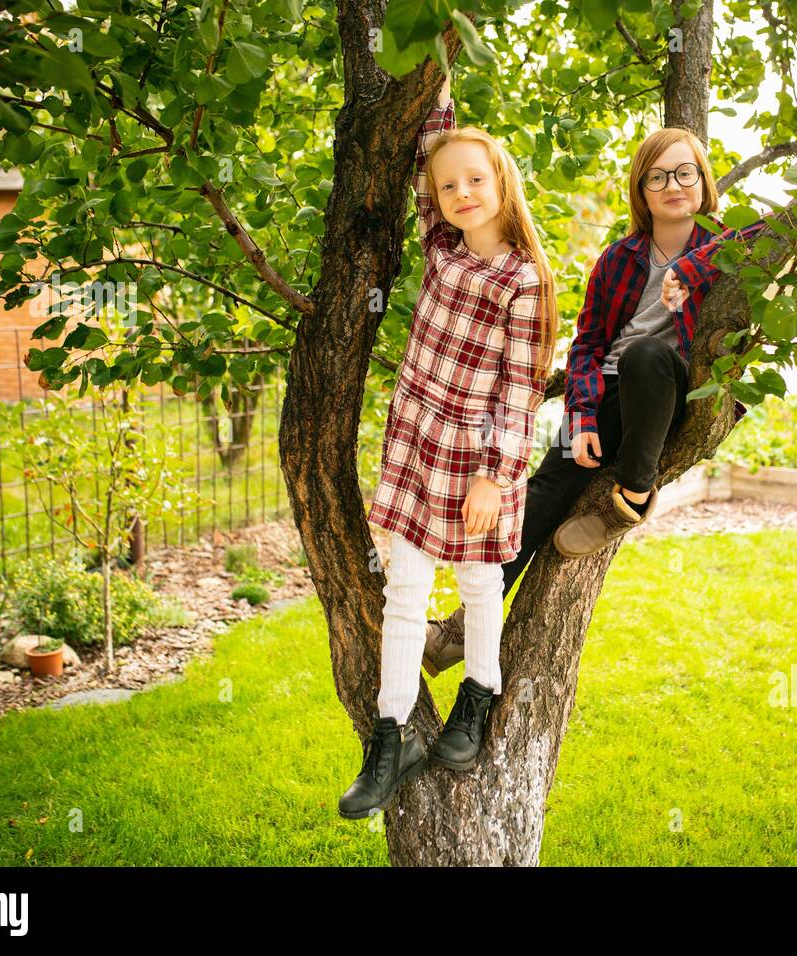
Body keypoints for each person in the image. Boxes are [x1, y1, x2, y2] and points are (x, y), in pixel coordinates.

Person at [422, 125, 767, 677]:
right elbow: (587, 346)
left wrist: (690, 269)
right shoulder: (618, 260)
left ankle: (629, 497)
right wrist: (580, 416)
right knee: (541, 492)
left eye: (685, 173)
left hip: (663, 393)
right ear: (641, 190)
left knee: (648, 356)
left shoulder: (726, 247)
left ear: (703, 181)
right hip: (604, 398)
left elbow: (782, 226)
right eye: (657, 177)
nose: (672, 185)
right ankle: (460, 632)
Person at [339, 74, 558, 820]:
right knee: (404, 589)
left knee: (476, 585)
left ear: (502, 182)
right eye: (448, 185)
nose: (463, 192)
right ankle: (391, 732)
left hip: (476, 460)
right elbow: (436, 134)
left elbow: (522, 389)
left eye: (477, 179)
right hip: (416, 441)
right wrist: (438, 49)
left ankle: (478, 695)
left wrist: (498, 477)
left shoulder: (522, 279)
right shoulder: (440, 243)